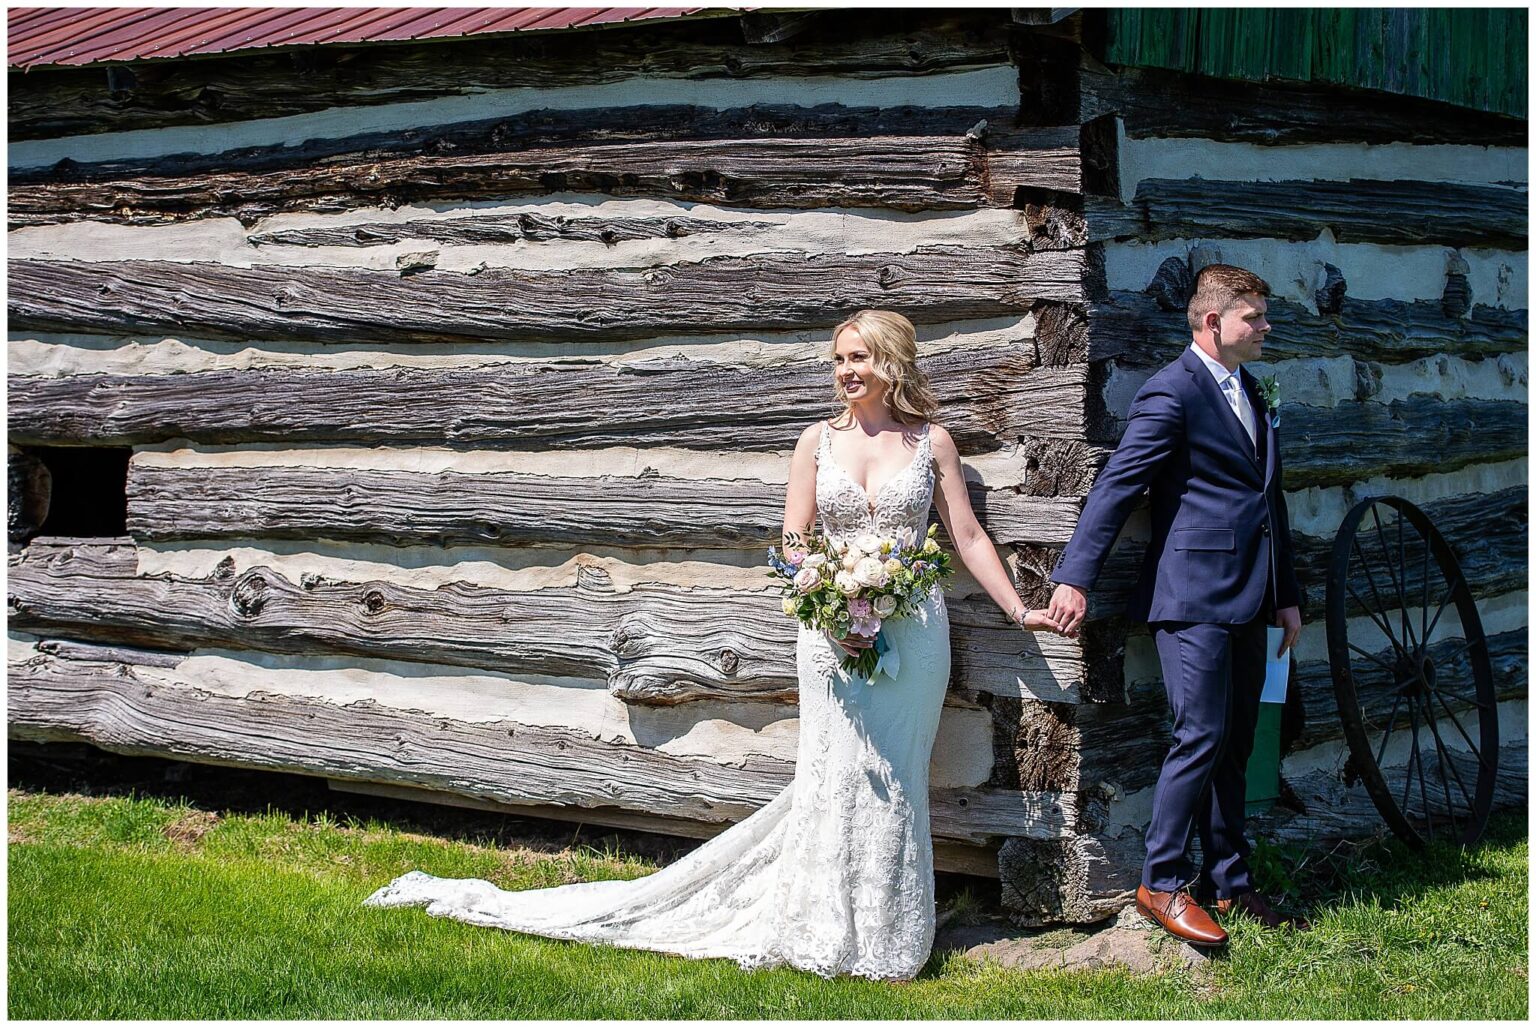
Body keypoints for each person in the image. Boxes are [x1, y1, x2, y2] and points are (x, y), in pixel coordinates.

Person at [364, 309, 1062, 981]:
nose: (846, 371)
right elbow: (794, 540)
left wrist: (1018, 609)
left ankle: (888, 937)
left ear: (891, 362)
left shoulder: (931, 443)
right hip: (830, 635)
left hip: (912, 631)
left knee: (895, 774)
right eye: (839, 359)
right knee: (833, 772)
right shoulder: (816, 442)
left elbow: (966, 536)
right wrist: (827, 606)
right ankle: (824, 926)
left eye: (859, 358)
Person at [1045, 264, 1308, 947]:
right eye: (1254, 316)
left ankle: (1229, 882)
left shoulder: (1252, 390)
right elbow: (1118, 486)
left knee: (1237, 740)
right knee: (1201, 735)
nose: (1266, 326)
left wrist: (1286, 596)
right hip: (1192, 597)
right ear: (1212, 321)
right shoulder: (1173, 391)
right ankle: (1160, 882)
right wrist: (1075, 577)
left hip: (1251, 597)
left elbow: (1269, 501)